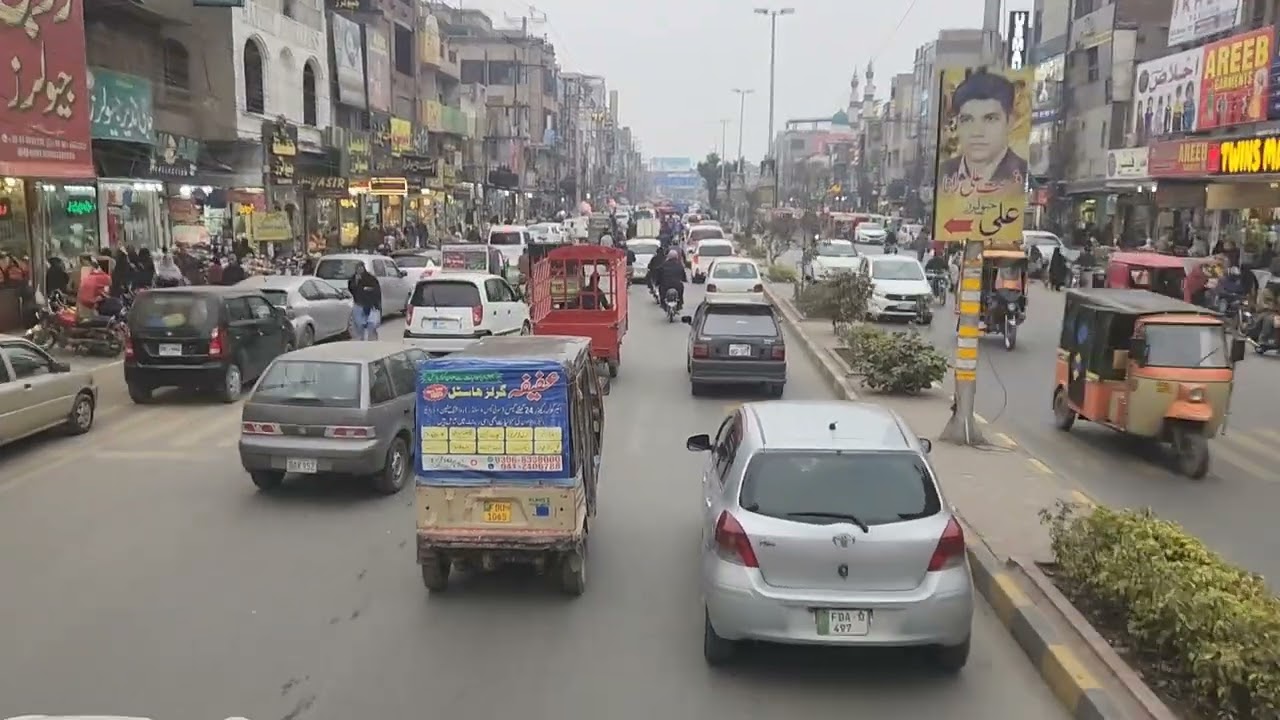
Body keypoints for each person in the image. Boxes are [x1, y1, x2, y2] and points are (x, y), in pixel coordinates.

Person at [938, 71, 1029, 186]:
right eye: (967, 120)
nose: (977, 132)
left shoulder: (1024, 177)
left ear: (1010, 122)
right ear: (958, 124)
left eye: (990, 119)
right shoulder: (943, 174)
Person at [348, 263, 382, 340]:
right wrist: (356, 281)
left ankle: (372, 340)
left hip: (371, 305)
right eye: (358, 268)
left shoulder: (371, 278)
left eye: (361, 268)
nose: (360, 270)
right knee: (359, 325)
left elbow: (377, 291)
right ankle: (361, 340)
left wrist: (377, 305)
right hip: (359, 304)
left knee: (371, 325)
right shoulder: (353, 279)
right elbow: (351, 289)